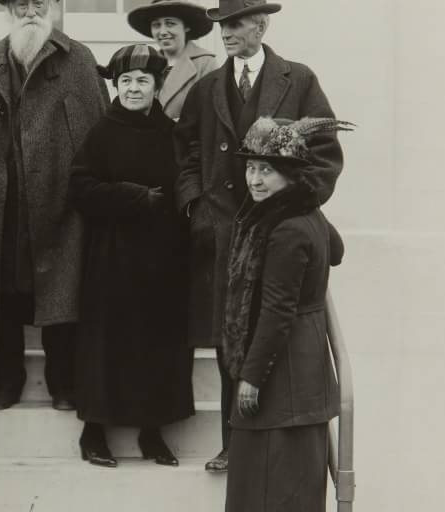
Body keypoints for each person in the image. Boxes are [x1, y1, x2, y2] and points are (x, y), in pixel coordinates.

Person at [172, 0, 345, 472]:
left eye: (234, 24)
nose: (225, 33)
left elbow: (326, 151)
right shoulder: (208, 87)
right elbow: (185, 150)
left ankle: (272, 440)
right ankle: (233, 443)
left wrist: (297, 204)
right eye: (220, 26)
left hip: (277, 231)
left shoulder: (299, 79)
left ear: (260, 25)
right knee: (231, 331)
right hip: (224, 232)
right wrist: (196, 207)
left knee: (270, 324)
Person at [0, 0, 110, 411]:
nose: (30, 12)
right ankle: (6, 381)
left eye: (38, 3)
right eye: (21, 4)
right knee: (2, 292)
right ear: (9, 10)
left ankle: (64, 382)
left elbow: (99, 132)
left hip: (60, 202)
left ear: (52, 8)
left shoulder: (79, 61)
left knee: (60, 288)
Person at [68, 44, 194, 468]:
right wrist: (130, 195)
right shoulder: (102, 132)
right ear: (115, 86)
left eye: (143, 81)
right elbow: (79, 188)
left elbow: (188, 184)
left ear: (158, 86)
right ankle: (94, 432)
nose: (134, 88)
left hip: (164, 258)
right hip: (113, 257)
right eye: (125, 81)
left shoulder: (172, 134)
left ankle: (153, 432)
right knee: (107, 342)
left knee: (159, 343)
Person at [223, 116, 352, 511]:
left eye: (267, 170)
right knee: (290, 488)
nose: (255, 180)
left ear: (292, 176)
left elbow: (278, 310)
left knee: (271, 492)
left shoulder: (285, 228)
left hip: (283, 379)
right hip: (302, 374)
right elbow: (336, 251)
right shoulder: (305, 213)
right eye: (250, 168)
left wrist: (252, 377)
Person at [127, 0, 219, 120]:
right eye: (156, 25)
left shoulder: (205, 64)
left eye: (170, 24)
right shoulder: (145, 63)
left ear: (186, 27)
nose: (163, 32)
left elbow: (211, 117)